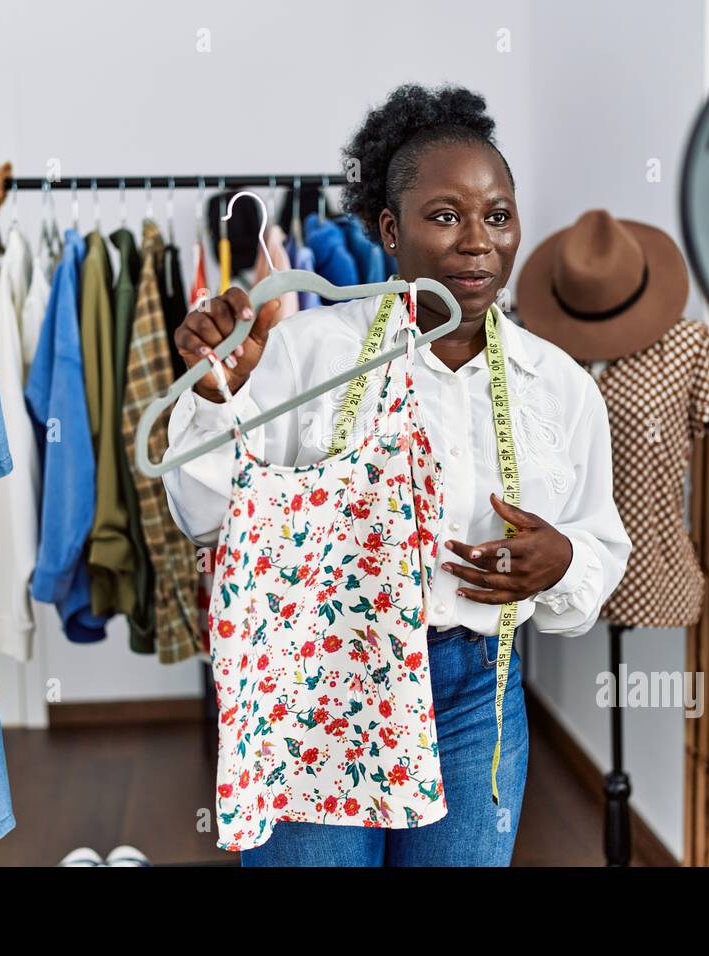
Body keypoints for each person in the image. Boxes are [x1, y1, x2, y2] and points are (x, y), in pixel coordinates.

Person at [162, 83, 631, 866]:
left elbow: (599, 543)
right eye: (445, 215)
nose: (478, 241)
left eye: (498, 215)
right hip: (319, 683)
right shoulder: (306, 352)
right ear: (390, 227)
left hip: (479, 690)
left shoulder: (560, 386)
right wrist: (219, 397)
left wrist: (565, 560)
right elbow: (203, 516)